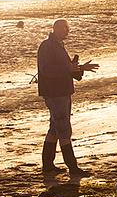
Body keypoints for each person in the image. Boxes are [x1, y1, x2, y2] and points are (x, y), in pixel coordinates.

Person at [37, 19, 98, 176]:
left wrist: (80, 68)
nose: (67, 31)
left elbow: (66, 69)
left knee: (55, 128)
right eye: (65, 28)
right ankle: (73, 167)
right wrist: (69, 68)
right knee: (64, 129)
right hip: (54, 93)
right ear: (56, 29)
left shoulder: (58, 46)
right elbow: (46, 70)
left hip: (62, 92)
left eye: (68, 28)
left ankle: (48, 165)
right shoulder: (47, 46)